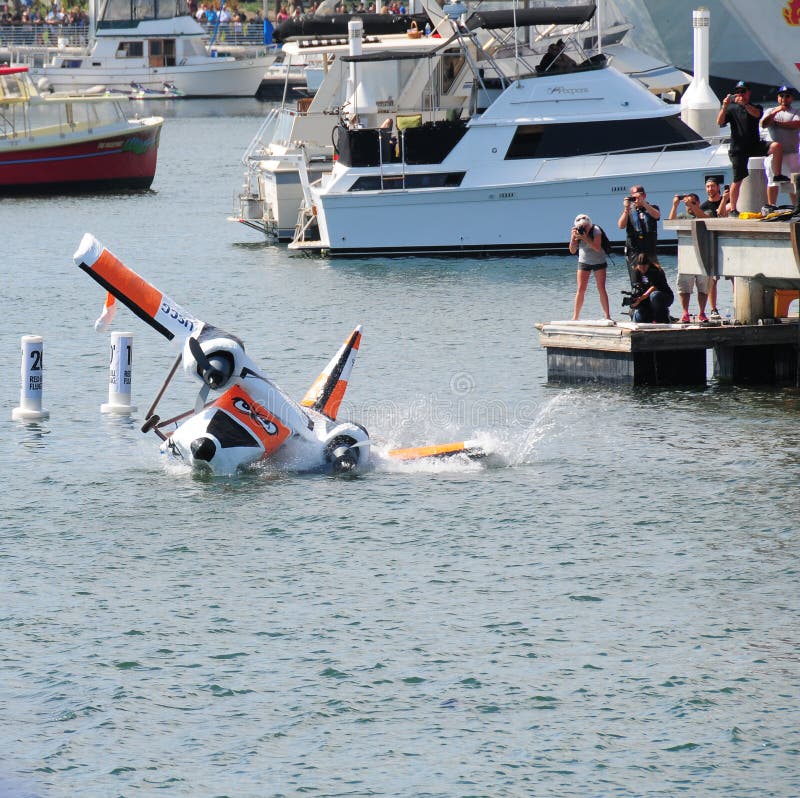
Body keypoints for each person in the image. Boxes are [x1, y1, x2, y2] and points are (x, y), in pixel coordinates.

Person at [717, 80, 788, 218]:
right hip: (738, 148)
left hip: (754, 144)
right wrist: (725, 106)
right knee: (738, 179)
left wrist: (744, 104)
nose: (740, 94)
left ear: (748, 92)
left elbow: (756, 115)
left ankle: (777, 174)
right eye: (737, 92)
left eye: (743, 91)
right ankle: (733, 209)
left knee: (776, 146)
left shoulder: (756, 107)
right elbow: (719, 122)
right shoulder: (731, 108)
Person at [762, 85, 800, 208]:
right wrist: (776, 112)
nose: (784, 98)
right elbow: (764, 124)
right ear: (778, 97)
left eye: (787, 96)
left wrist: (777, 123)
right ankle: (771, 206)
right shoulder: (770, 111)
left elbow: (795, 124)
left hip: (792, 153)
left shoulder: (796, 111)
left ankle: (796, 207)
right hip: (774, 155)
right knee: (772, 182)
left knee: (793, 182)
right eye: (781, 95)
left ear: (791, 98)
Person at [568, 213, 611, 321]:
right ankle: (575, 317)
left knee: (601, 288)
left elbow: (597, 247)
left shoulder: (596, 230)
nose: (584, 228)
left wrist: (585, 237)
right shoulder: (576, 232)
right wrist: (573, 239)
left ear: (590, 224)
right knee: (581, 289)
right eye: (582, 226)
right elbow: (572, 251)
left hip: (599, 261)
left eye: (586, 226)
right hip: (584, 261)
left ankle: (607, 316)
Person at [617, 184, 660, 283]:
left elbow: (657, 216)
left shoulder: (652, 207)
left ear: (644, 195)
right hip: (634, 251)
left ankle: (652, 296)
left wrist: (644, 204)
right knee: (637, 280)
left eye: (639, 196)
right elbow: (621, 225)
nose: (636, 199)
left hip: (650, 250)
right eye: (634, 197)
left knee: (654, 278)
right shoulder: (629, 211)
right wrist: (626, 209)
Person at [629, 253, 674, 324]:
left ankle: (662, 317)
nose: (642, 269)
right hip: (647, 298)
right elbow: (637, 286)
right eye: (640, 267)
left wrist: (641, 298)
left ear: (648, 265)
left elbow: (654, 287)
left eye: (644, 267)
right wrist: (635, 300)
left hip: (664, 296)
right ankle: (646, 316)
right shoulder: (637, 271)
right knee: (638, 319)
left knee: (654, 295)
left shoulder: (655, 270)